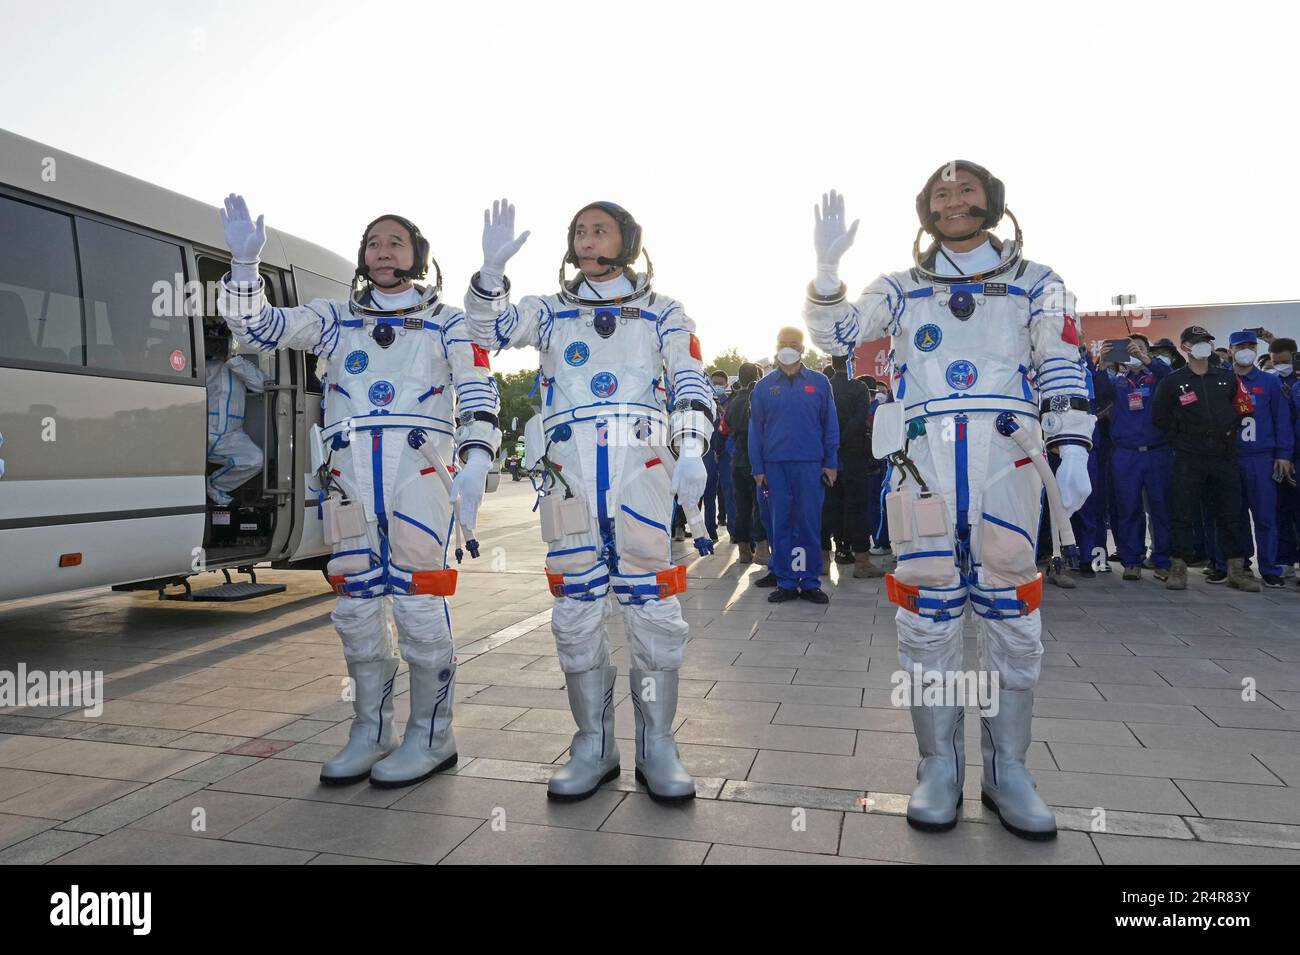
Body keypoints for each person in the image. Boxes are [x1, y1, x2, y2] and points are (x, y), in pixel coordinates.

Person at [803, 163, 1094, 840]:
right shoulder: (901, 288)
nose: (954, 200)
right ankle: (936, 764)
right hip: (924, 463)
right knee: (927, 613)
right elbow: (838, 335)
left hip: (1008, 461)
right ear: (925, 209)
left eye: (966, 191)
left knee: (1011, 613)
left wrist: (1072, 444)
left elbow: (1061, 363)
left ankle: (1007, 769)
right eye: (941, 192)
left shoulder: (1038, 283)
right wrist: (825, 268)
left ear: (991, 202)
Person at [217, 196, 501, 787]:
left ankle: (432, 735)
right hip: (349, 475)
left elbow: (477, 394)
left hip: (418, 473)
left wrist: (476, 461)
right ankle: (370, 732)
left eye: (396, 241)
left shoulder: (450, 321)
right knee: (355, 606)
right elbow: (260, 329)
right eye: (374, 242)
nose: (383, 250)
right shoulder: (333, 318)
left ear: (418, 255)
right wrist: (245, 269)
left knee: (420, 604)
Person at [463, 198, 711, 804]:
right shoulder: (549, 312)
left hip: (641, 476)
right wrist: (491, 275)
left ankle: (658, 746)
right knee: (575, 615)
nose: (587, 239)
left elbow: (689, 378)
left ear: (628, 240)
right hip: (571, 480)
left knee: (653, 612)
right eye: (579, 231)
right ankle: (593, 745)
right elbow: (486, 332)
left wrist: (693, 446)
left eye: (600, 230)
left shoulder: (661, 311)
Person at [1152, 326, 1258, 591]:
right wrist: (1181, 438)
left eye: (1207, 341)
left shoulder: (1227, 377)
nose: (1204, 346)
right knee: (1183, 511)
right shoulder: (1173, 381)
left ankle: (1236, 569)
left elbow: (1244, 408)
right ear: (1185, 346)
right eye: (1197, 342)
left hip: (1223, 453)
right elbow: (1159, 417)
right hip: (1189, 454)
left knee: (1232, 511)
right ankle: (1179, 567)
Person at [748, 326, 839, 604]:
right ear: (776, 346)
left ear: (802, 348)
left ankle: (810, 582)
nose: (788, 347)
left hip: (811, 465)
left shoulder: (820, 383)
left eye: (794, 343)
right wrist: (758, 468)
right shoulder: (763, 387)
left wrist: (831, 462)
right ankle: (786, 581)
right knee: (781, 525)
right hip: (774, 468)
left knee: (810, 524)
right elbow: (755, 430)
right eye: (783, 342)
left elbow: (830, 425)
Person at [1207, 330, 1294, 588]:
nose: (1246, 350)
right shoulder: (1220, 380)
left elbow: (1282, 420)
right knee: (1230, 515)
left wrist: (1284, 454)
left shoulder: (1270, 382)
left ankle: (1269, 567)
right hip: (1229, 457)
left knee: (1265, 515)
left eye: (1250, 345)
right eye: (1240, 346)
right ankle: (1230, 565)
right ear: (1230, 350)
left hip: (1261, 457)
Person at [1092, 335, 1173, 581]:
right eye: (1128, 350)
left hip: (1157, 451)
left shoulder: (1158, 378)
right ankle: (1131, 560)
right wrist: (1102, 364)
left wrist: (1145, 359)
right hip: (1125, 453)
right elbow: (1096, 393)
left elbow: (1171, 378)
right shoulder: (1118, 382)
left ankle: (1163, 560)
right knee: (1128, 509)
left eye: (1138, 349)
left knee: (1161, 508)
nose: (1133, 353)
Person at [821, 353, 883, 577]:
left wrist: (832, 442)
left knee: (827, 508)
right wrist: (842, 440)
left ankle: (823, 561)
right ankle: (862, 562)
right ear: (852, 364)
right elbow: (859, 421)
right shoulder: (859, 388)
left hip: (827, 456)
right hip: (853, 456)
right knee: (857, 508)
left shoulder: (824, 386)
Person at [204, 333, 267, 505]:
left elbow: (262, 385)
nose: (222, 347)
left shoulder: (240, 366)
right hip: (201, 432)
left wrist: (233, 360)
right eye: (218, 344)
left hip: (232, 435)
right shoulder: (203, 367)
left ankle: (215, 486)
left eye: (226, 344)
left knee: (255, 460)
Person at [722, 362, 769, 565]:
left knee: (741, 506)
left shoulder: (731, 403)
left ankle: (743, 551)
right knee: (760, 505)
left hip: (737, 459)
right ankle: (761, 549)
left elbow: (723, 431)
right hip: (757, 459)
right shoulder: (759, 399)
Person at [1268, 337, 1299, 577]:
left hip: (1296, 454)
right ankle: (1284, 559)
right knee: (1280, 510)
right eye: (1276, 362)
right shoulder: (1270, 382)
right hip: (1279, 456)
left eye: (1285, 361)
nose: (1281, 366)